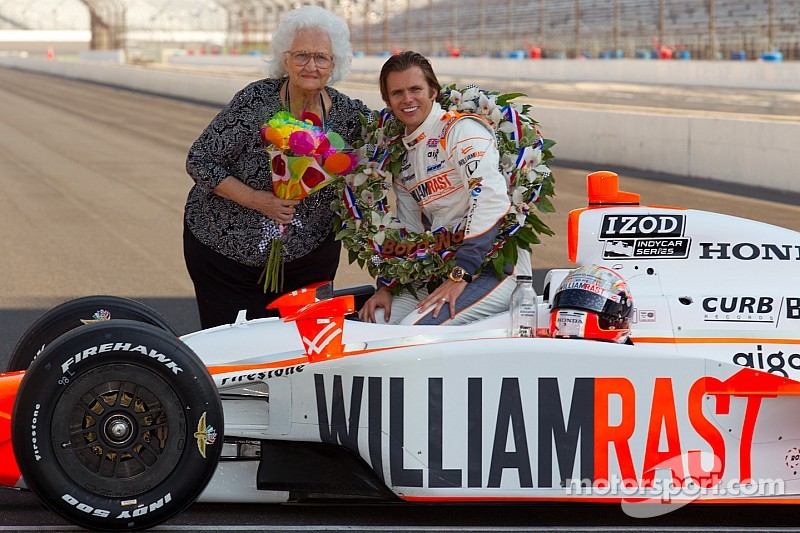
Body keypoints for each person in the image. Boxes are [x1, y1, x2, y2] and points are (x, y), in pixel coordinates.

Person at [184, 6, 371, 329]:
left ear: (334, 63)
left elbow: (393, 140)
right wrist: (259, 200)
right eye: (301, 55)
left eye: (321, 57)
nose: (311, 65)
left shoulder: (350, 116)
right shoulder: (255, 101)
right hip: (225, 255)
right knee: (237, 356)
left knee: (302, 354)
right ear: (285, 60)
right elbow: (200, 160)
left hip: (308, 261)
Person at [358, 51, 532, 325]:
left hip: (493, 269)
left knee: (416, 330)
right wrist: (387, 286)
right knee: (376, 322)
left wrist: (461, 273)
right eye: (397, 93)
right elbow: (410, 231)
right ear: (388, 101)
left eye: (415, 89)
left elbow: (490, 199)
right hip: (442, 269)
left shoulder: (460, 131)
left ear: (433, 92)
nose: (407, 99)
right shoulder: (402, 155)